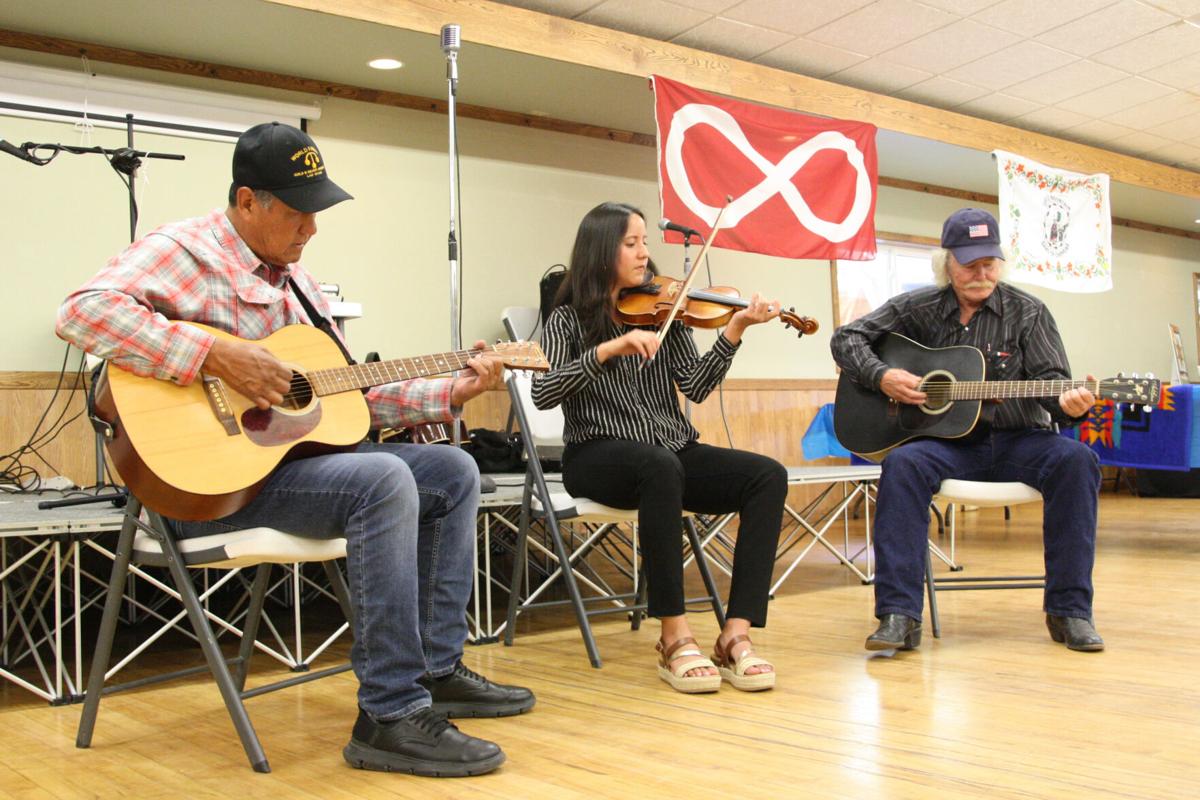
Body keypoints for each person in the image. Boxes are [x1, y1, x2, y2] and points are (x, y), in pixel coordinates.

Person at [56, 122, 534, 777]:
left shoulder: (301, 289)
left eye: (318, 212)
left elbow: (345, 408)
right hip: (200, 488)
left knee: (451, 468)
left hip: (285, 473)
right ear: (247, 200)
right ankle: (388, 715)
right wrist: (217, 356)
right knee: (385, 480)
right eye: (297, 211)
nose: (311, 228)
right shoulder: (187, 251)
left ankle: (434, 669)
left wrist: (454, 391)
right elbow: (81, 312)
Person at [531, 201, 789, 693]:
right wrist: (607, 350)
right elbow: (544, 393)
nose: (644, 253)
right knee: (659, 465)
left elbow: (694, 385)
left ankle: (735, 634)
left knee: (766, 475)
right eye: (632, 243)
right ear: (602, 250)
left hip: (669, 451)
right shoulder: (567, 321)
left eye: (645, 242)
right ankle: (673, 635)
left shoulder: (659, 310)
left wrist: (734, 331)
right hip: (597, 454)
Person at [830, 207, 1104, 653]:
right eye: (969, 263)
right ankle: (899, 615)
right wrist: (882, 376)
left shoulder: (1029, 312)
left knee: (1077, 461)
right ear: (947, 263)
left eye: (989, 263)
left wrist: (1070, 405)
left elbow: (1055, 385)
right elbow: (846, 339)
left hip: (1022, 441)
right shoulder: (916, 308)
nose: (981, 272)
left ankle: (1070, 612)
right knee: (902, 464)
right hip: (946, 445)